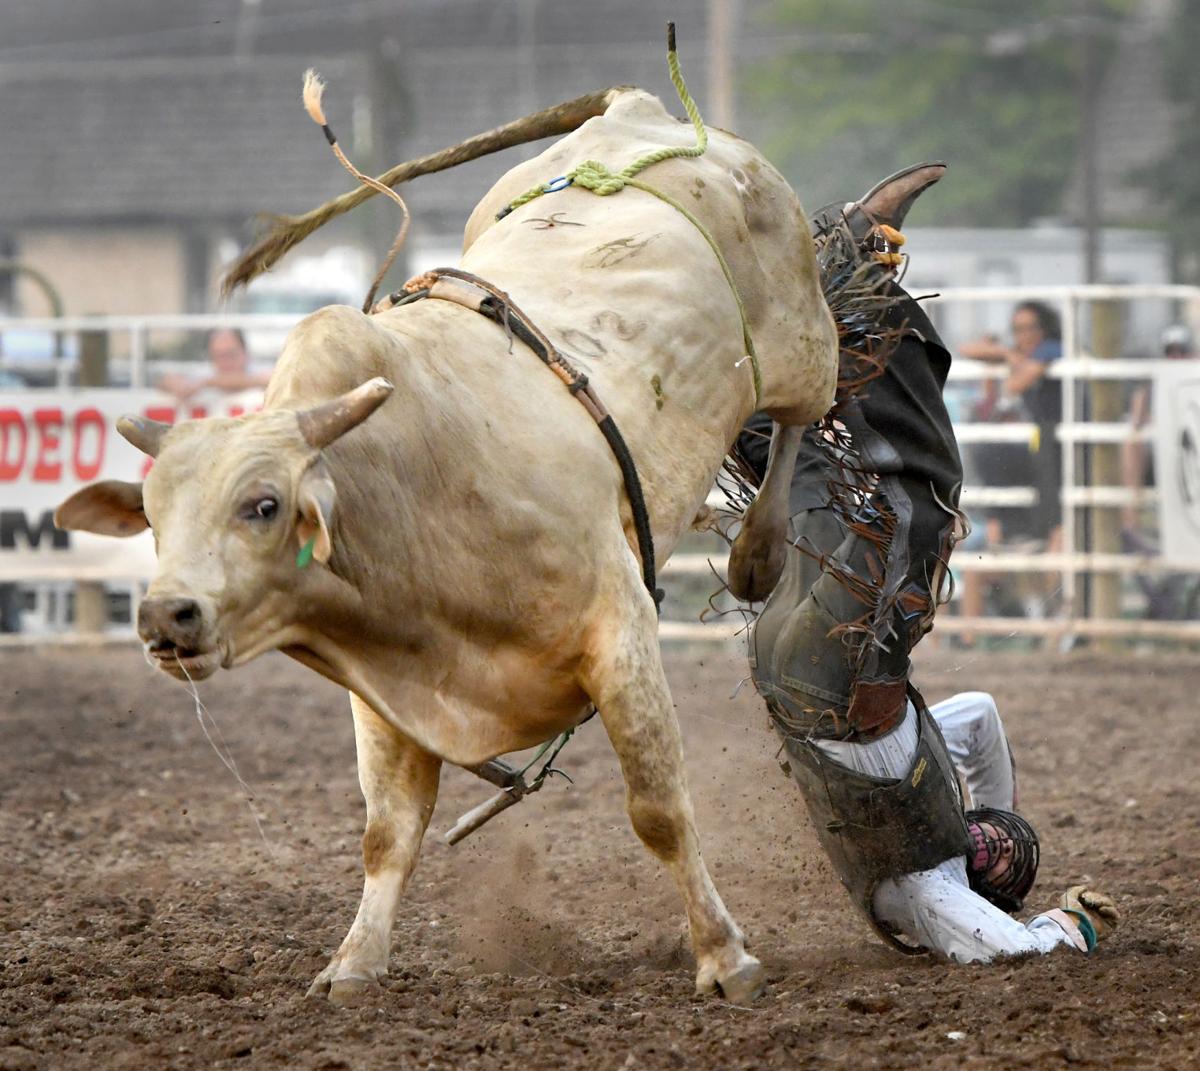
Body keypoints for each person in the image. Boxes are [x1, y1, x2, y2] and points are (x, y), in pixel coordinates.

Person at [731, 164, 1116, 961]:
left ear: (986, 890)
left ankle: (856, 269)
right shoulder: (944, 795)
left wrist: (1069, 925)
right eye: (1006, 842)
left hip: (837, 676)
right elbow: (982, 718)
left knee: (922, 506)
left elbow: (1012, 952)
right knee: (810, 482)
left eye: (1001, 866)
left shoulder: (930, 888)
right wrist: (1001, 807)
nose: (998, 851)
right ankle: (733, 352)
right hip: (811, 664)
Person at [157, 327, 271, 402]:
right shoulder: (205, 374)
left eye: (230, 354)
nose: (226, 362)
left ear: (245, 353)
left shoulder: (258, 371)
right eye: (219, 356)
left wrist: (207, 382)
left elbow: (266, 380)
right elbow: (164, 381)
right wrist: (178, 386)